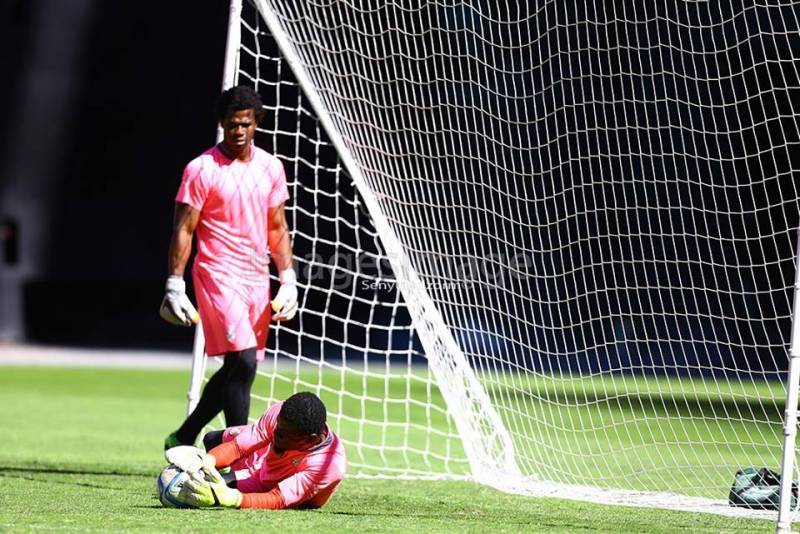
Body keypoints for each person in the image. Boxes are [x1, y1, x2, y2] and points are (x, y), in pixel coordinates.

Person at [160, 85, 298, 450]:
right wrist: (174, 283)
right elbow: (184, 229)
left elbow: (276, 227)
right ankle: (241, 451)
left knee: (240, 366)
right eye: (232, 124)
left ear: (256, 124)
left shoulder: (270, 167)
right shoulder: (201, 169)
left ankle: (186, 435)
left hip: (257, 278)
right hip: (216, 274)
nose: (239, 131)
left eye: (246, 124)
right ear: (222, 123)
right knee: (244, 362)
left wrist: (288, 279)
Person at [167, 392, 347, 510]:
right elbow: (238, 447)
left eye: (283, 433)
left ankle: (229, 475)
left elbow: (277, 498)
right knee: (212, 439)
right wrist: (207, 461)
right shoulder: (281, 415)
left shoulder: (329, 465)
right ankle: (220, 471)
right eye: (277, 426)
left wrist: (231, 499)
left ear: (311, 438)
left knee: (213, 490)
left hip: (286, 491)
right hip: (264, 464)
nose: (275, 432)